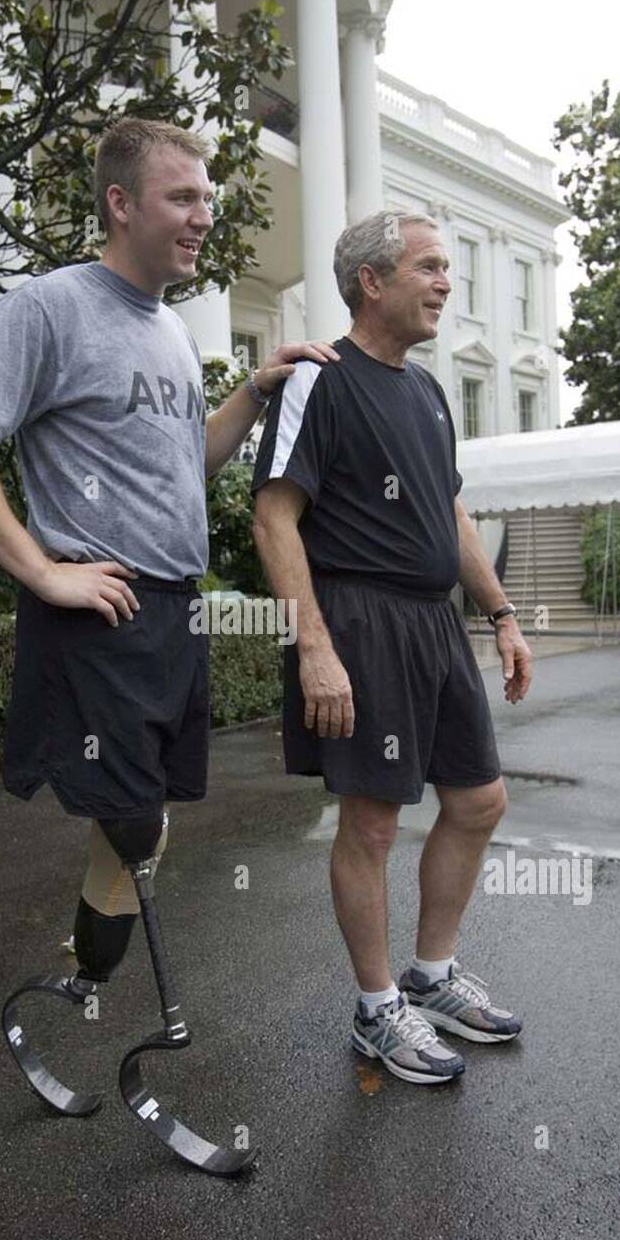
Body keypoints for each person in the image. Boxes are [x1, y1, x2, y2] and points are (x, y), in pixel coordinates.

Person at [0, 116, 338, 986]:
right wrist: (39, 568)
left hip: (173, 613)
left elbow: (188, 463)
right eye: (182, 197)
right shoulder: (51, 306)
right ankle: (100, 989)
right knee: (133, 817)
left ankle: (85, 984)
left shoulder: (170, 330)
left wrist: (253, 393)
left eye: (207, 199)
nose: (203, 215)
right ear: (119, 203)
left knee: (150, 814)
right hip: (102, 608)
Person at [250, 210, 533, 1085]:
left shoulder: (429, 391)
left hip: (434, 621)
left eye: (449, 268)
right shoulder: (319, 383)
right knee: (371, 822)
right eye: (430, 267)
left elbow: (449, 516)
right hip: (360, 620)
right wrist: (314, 649)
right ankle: (378, 1011)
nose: (445, 283)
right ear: (372, 281)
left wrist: (501, 613)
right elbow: (273, 513)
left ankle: (432, 977)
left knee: (480, 799)